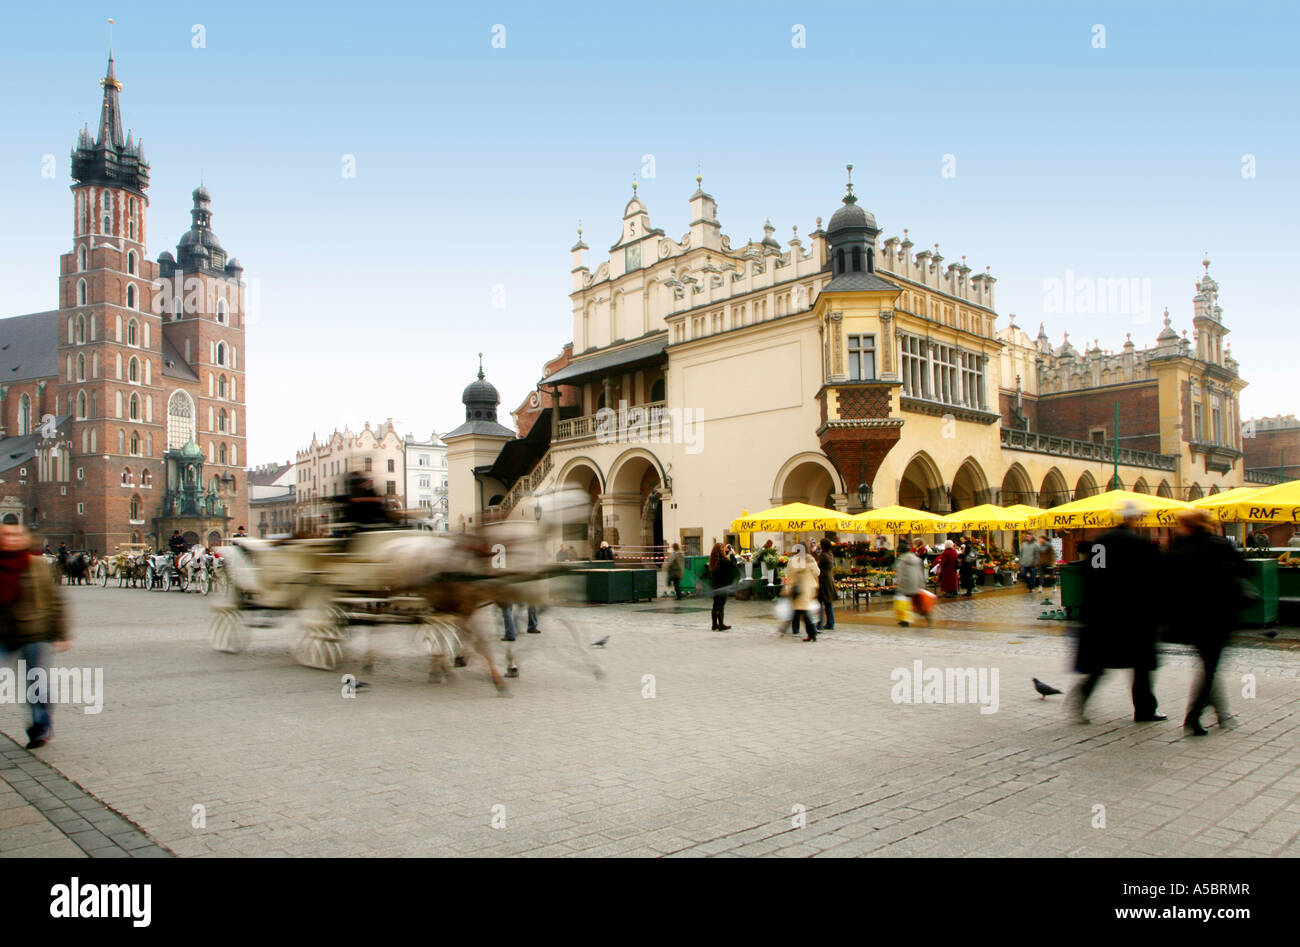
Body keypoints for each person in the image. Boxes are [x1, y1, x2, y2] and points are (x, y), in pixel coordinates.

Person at [1069, 502, 1166, 724]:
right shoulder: (1139, 544)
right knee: (1141, 666)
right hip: (1134, 615)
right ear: (1134, 520)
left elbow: (1092, 575)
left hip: (1104, 614)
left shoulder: (1102, 543)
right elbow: (1151, 581)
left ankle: (1081, 697)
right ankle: (1144, 710)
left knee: (1099, 664)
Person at [1166, 508, 1249, 736]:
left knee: (1208, 666)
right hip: (1218, 617)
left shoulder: (1177, 548)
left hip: (1190, 619)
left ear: (1189, 526)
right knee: (1209, 668)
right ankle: (1194, 716)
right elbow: (1246, 569)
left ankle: (1221, 712)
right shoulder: (1218, 545)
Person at [0, 521, 69, 749]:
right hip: (3, 632)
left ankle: (41, 725)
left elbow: (54, 600)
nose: (10, 538)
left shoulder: (36, 565)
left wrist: (61, 633)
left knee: (36, 683)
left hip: (33, 632)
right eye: (5, 534)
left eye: (14, 534)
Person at [783, 546, 821, 641]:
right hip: (808, 588)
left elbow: (789, 574)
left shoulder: (793, 561)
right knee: (801, 610)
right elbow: (817, 573)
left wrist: (788, 588)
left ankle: (811, 632)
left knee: (802, 610)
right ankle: (811, 632)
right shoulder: (809, 559)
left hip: (799, 589)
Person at [894, 540, 927, 627]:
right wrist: (922, 584)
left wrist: (898, 584)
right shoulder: (916, 558)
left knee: (902, 601)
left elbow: (900, 574)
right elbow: (920, 572)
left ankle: (904, 620)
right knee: (916, 601)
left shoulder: (901, 560)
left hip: (905, 584)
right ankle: (925, 614)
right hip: (916, 583)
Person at [707, 542, 735, 630]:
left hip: (715, 585)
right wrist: (733, 555)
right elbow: (732, 565)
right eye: (722, 549)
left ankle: (714, 624)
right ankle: (721, 625)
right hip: (723, 585)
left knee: (715, 604)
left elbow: (723, 560)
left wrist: (726, 552)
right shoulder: (723, 561)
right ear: (720, 551)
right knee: (721, 605)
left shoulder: (713, 560)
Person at [816, 539, 837, 630]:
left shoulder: (824, 556)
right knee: (828, 603)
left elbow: (817, 566)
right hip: (829, 580)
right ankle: (830, 622)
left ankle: (820, 623)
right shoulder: (830, 554)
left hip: (823, 581)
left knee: (820, 602)